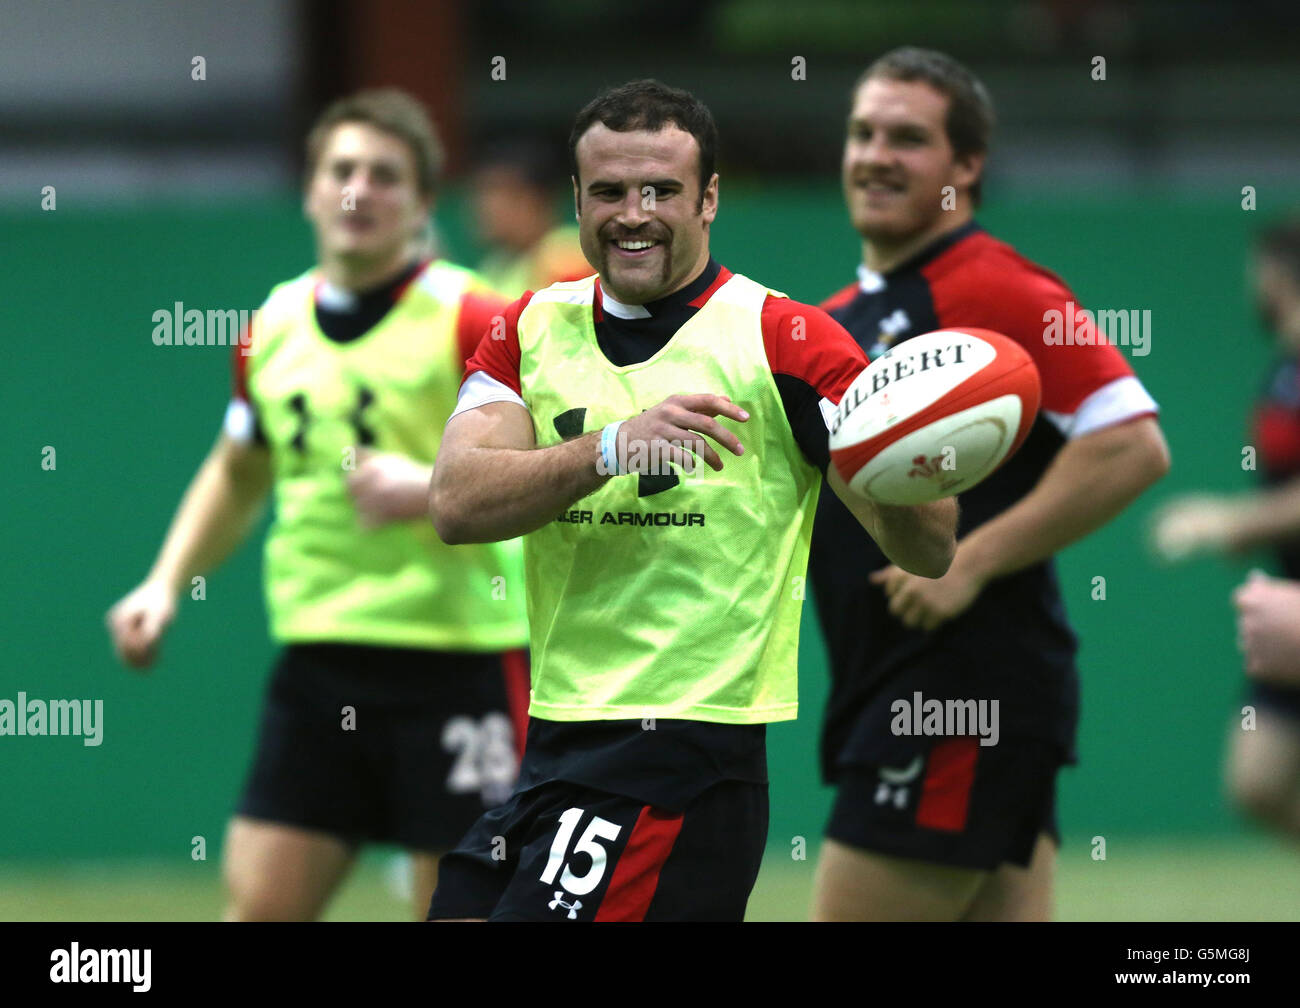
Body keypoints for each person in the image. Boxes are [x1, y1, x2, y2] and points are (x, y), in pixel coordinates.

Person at [425, 78, 958, 922]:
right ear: (576, 200)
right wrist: (610, 447)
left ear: (708, 200)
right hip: (556, 744)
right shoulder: (527, 327)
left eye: (661, 191)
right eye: (608, 191)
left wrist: (906, 452)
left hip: (685, 757)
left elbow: (929, 548)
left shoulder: (787, 341)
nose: (632, 213)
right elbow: (457, 503)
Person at [106, 89, 529, 921]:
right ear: (308, 189)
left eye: (384, 175)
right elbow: (238, 471)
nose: (357, 191)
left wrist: (432, 486)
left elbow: (549, 461)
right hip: (319, 662)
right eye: (340, 170)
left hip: (456, 664)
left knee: (468, 911)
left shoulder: (473, 317)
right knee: (259, 910)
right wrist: (164, 583)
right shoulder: (272, 326)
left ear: (420, 202)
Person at [809, 47, 1170, 921]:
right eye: (862, 133)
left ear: (965, 166)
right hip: (898, 682)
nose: (875, 156)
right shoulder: (837, 318)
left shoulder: (993, 285)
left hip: (955, 696)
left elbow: (1131, 445)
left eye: (908, 138)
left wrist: (970, 559)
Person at [1156, 221, 1300, 837]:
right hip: (1287, 608)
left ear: (1277, 274)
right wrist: (1251, 533)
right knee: (1257, 783)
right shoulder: (1282, 374)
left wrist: (1227, 520)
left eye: (1257, 269)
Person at [470, 138, 591, 297]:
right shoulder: (494, 267)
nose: (484, 206)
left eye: (496, 192)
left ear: (534, 199)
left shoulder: (568, 258)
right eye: (481, 193)